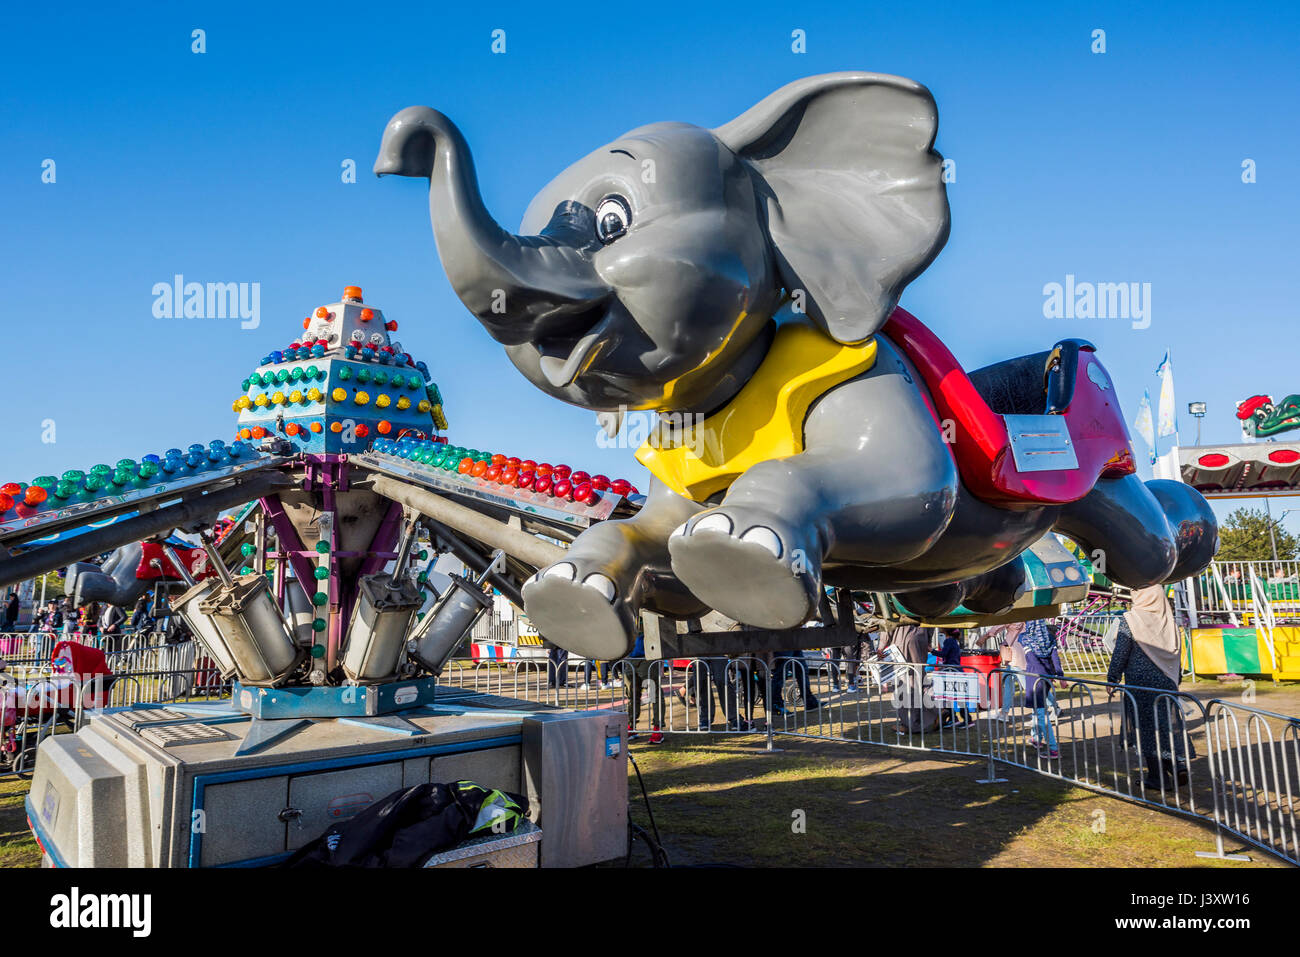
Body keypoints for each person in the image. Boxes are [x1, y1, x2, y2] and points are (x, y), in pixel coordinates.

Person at [1106, 585, 1193, 789]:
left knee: (1145, 729)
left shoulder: (1131, 619)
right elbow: (1177, 652)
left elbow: (1121, 651)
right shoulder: (1168, 620)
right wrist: (1176, 678)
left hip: (1140, 683)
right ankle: (1176, 764)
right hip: (1166, 680)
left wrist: (1112, 678)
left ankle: (1158, 777)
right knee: (1165, 725)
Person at [1018, 618, 1065, 759]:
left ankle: (1053, 748)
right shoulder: (1049, 637)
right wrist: (1059, 676)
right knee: (1038, 711)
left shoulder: (1025, 638)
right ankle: (1036, 738)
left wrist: (1043, 676)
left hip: (1035, 678)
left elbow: (1033, 661)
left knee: (1041, 714)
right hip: (1045, 678)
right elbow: (1055, 659)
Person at [893, 625, 938, 734]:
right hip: (921, 636)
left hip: (903, 636)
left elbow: (889, 622)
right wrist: (928, 639)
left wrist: (882, 645)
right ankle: (936, 711)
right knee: (921, 678)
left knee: (905, 682)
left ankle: (910, 724)